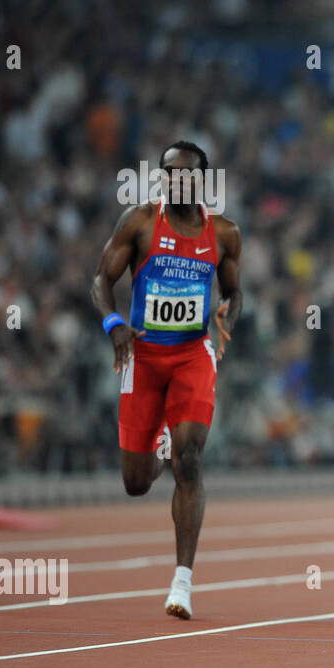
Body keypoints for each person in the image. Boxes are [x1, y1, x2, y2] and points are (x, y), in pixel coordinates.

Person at [90, 141, 242, 619]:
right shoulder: (138, 222)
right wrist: (114, 325)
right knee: (136, 483)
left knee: (191, 459)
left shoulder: (224, 234)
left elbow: (236, 294)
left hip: (193, 357)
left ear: (202, 182)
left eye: (186, 174)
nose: (177, 181)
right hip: (145, 356)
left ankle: (182, 583)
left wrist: (226, 317)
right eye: (168, 173)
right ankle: (158, 449)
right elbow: (101, 281)